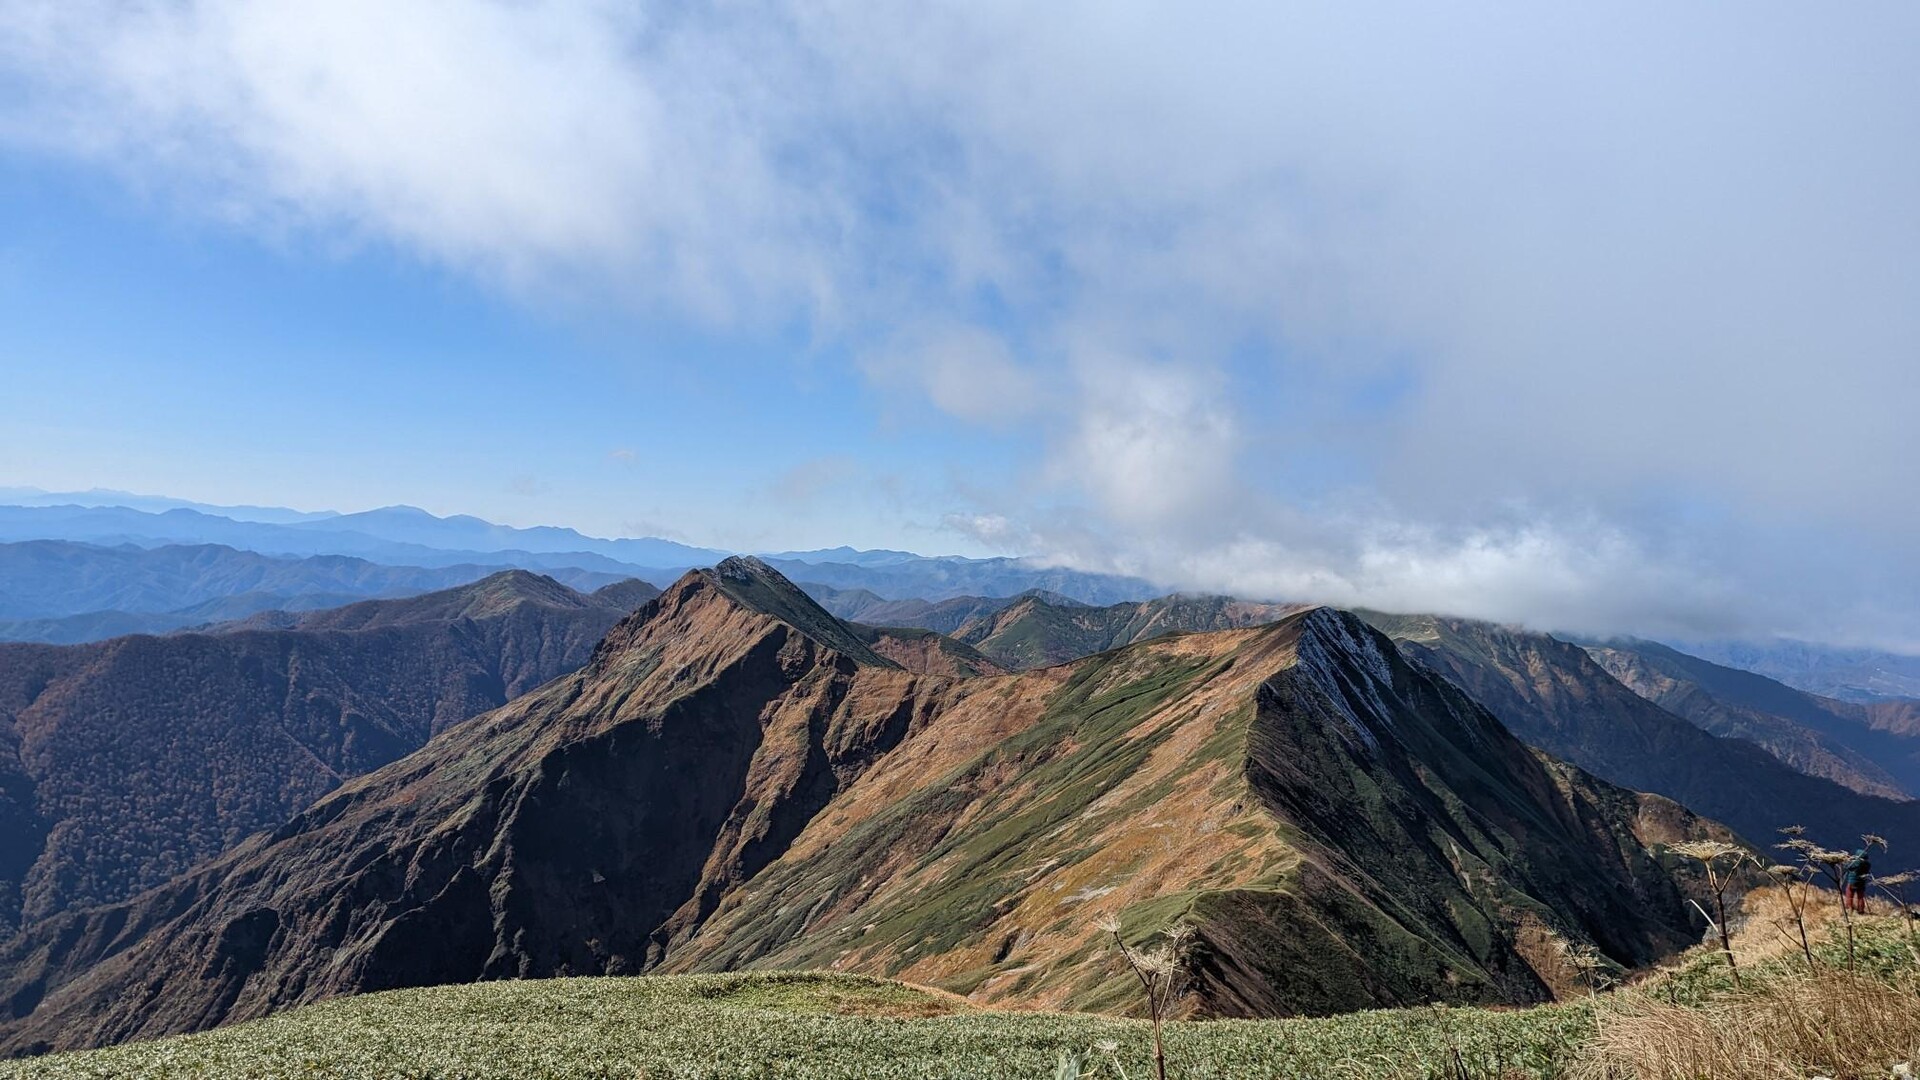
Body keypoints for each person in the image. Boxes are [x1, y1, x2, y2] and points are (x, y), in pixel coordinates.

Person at [1844, 848, 1873, 914]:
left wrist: (1848, 860)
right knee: (1860, 897)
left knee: (1849, 894)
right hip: (1862, 882)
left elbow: (1847, 867)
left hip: (1852, 881)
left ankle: (1849, 909)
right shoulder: (1867, 864)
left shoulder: (1856, 862)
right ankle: (1861, 910)